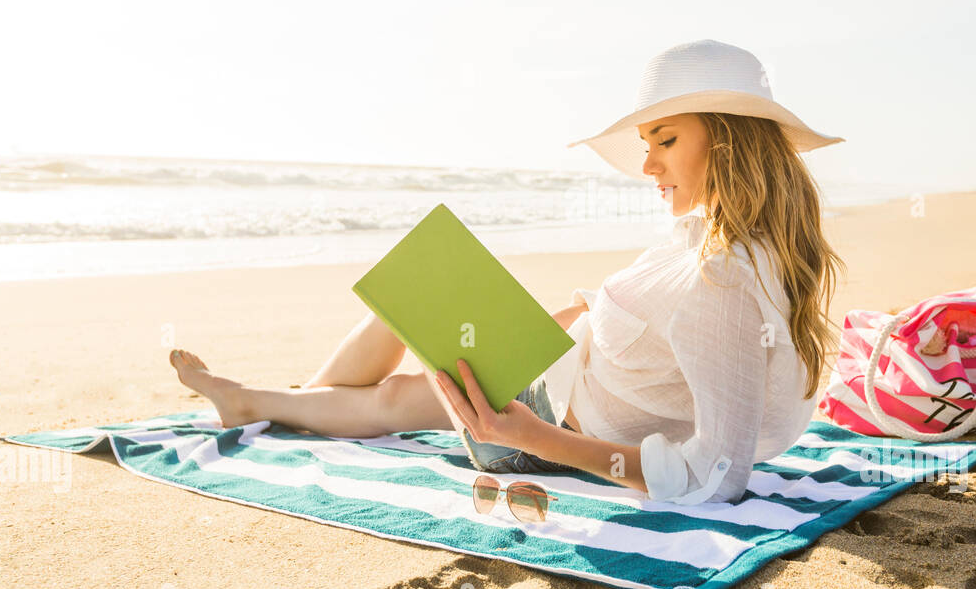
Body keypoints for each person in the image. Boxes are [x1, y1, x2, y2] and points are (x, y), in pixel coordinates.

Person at [169, 39, 847, 504]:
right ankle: (297, 405)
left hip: (554, 425)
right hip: (559, 372)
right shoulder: (722, 239)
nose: (648, 166)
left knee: (396, 397)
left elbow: (717, 476)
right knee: (417, 290)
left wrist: (531, 436)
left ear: (729, 140)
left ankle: (261, 406)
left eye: (664, 140)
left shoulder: (722, 281)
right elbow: (644, 328)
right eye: (648, 144)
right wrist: (551, 328)